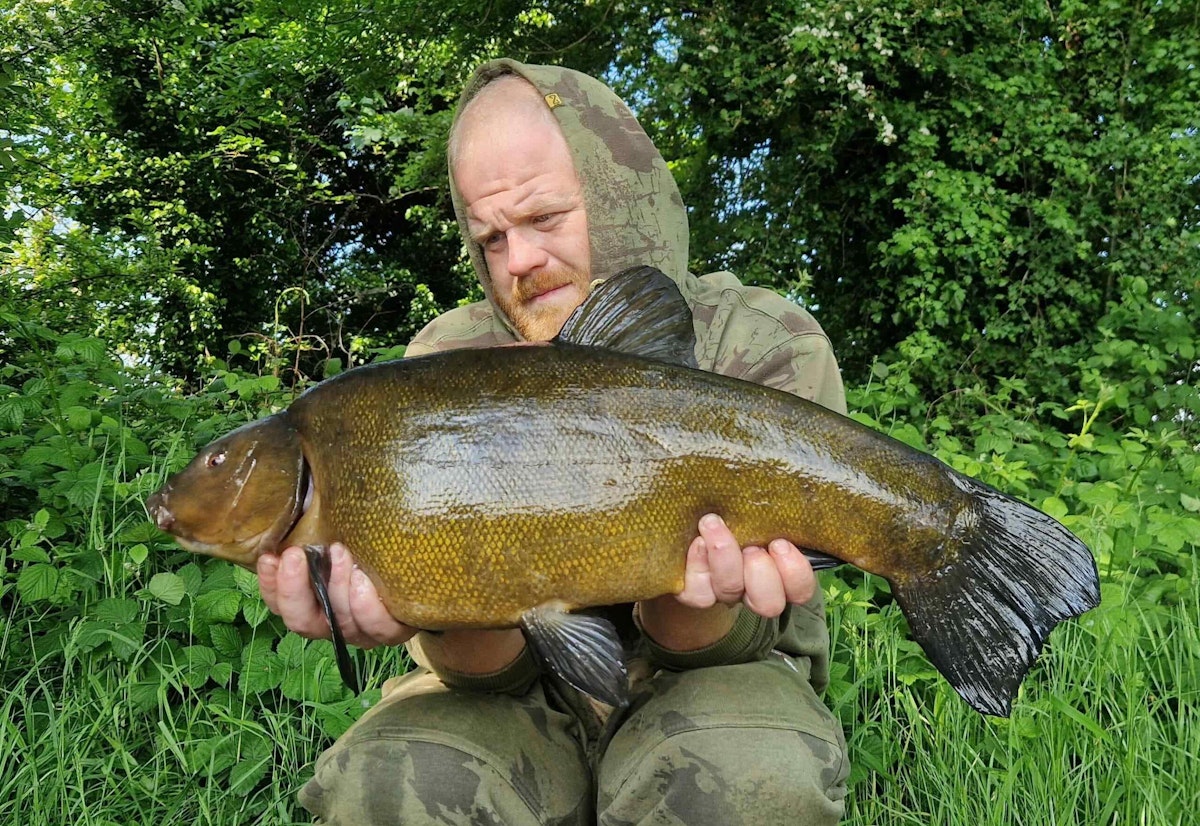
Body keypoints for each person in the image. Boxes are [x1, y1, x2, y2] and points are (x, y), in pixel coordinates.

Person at [256, 59, 850, 825]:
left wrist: (695, 602)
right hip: (517, 696)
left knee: (749, 771)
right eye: (491, 237)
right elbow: (480, 675)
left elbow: (742, 642)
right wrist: (429, 610)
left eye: (542, 219)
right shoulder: (441, 366)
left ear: (618, 195)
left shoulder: (764, 344)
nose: (520, 261)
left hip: (713, 676)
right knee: (391, 774)